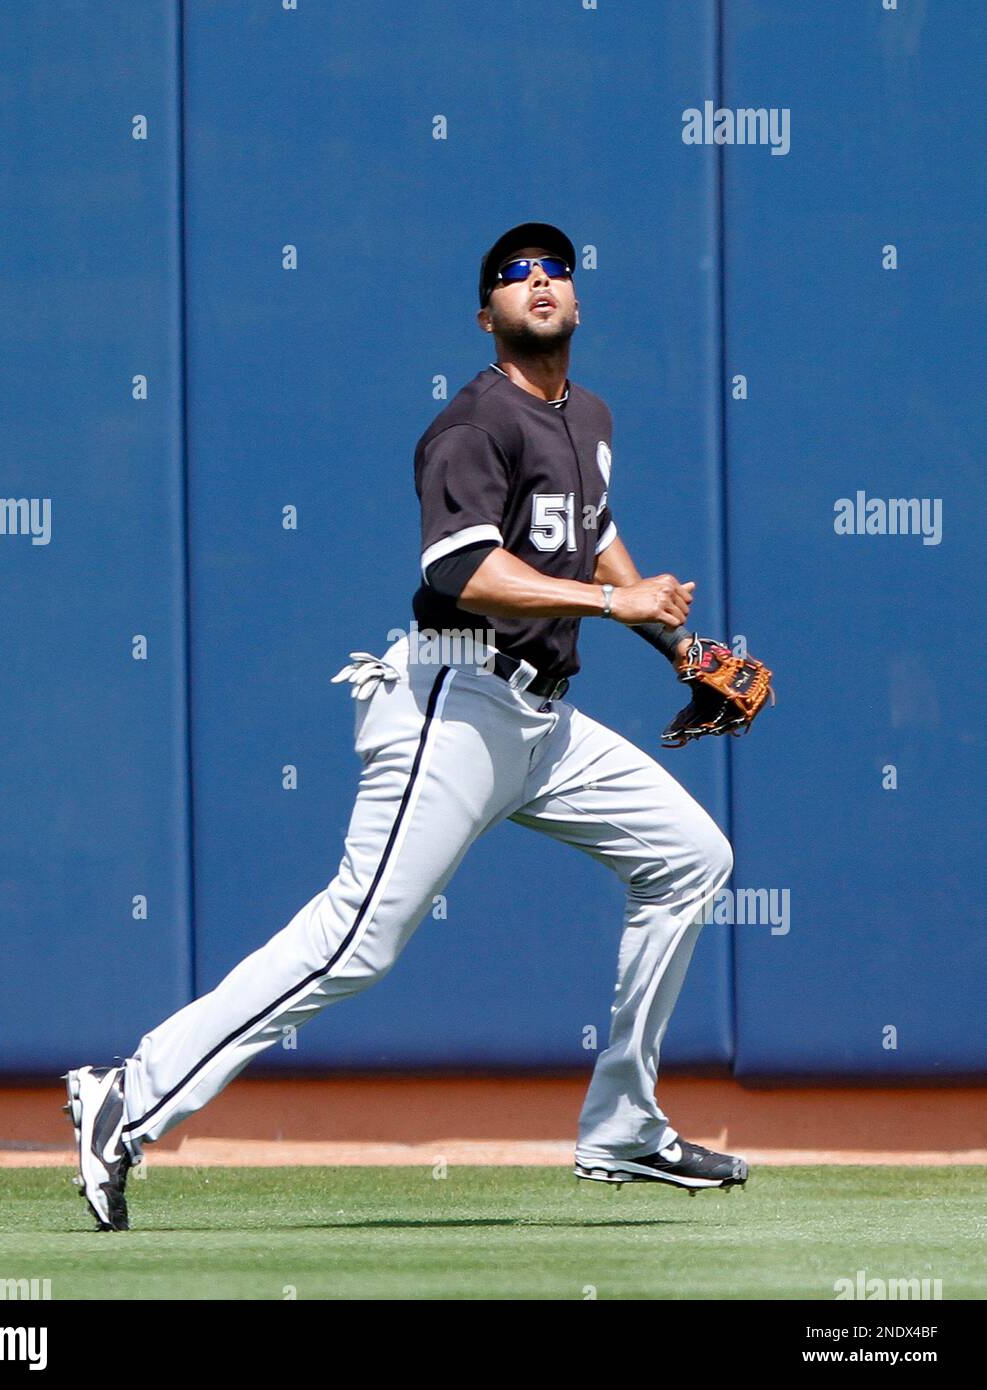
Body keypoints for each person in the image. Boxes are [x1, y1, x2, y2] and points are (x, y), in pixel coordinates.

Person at [64, 220, 746, 1232]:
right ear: (487, 317)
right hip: (453, 701)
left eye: (554, 267)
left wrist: (677, 647)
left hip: (543, 722)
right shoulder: (470, 423)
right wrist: (620, 609)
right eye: (513, 275)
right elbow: (460, 570)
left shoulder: (587, 415)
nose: (539, 281)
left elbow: (587, 535)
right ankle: (128, 1090)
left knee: (692, 857)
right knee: (356, 939)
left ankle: (620, 1124)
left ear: (578, 298)